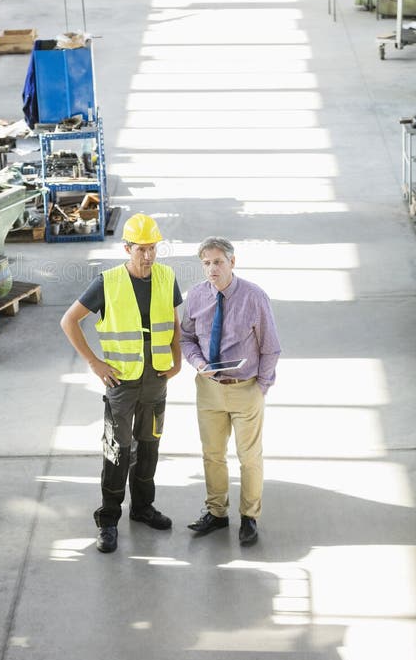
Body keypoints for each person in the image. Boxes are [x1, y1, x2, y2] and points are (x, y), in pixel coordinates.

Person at [60, 213, 182, 553]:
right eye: (141, 249)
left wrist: (178, 363)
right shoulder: (108, 282)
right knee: (117, 451)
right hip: (122, 382)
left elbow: (174, 323)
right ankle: (109, 519)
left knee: (149, 447)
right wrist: (94, 362)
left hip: (156, 378)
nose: (148, 255)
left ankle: (142, 508)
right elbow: (69, 321)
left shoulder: (166, 277)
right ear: (127, 248)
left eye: (153, 248)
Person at [180, 237, 281, 546]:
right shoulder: (196, 297)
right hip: (209, 389)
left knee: (249, 457)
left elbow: (271, 347)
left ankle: (249, 517)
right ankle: (217, 512)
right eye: (207, 263)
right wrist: (199, 364)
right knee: (212, 454)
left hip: (245, 388)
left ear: (232, 263)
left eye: (218, 262)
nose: (212, 269)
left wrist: (260, 387)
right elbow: (185, 338)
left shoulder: (254, 297)